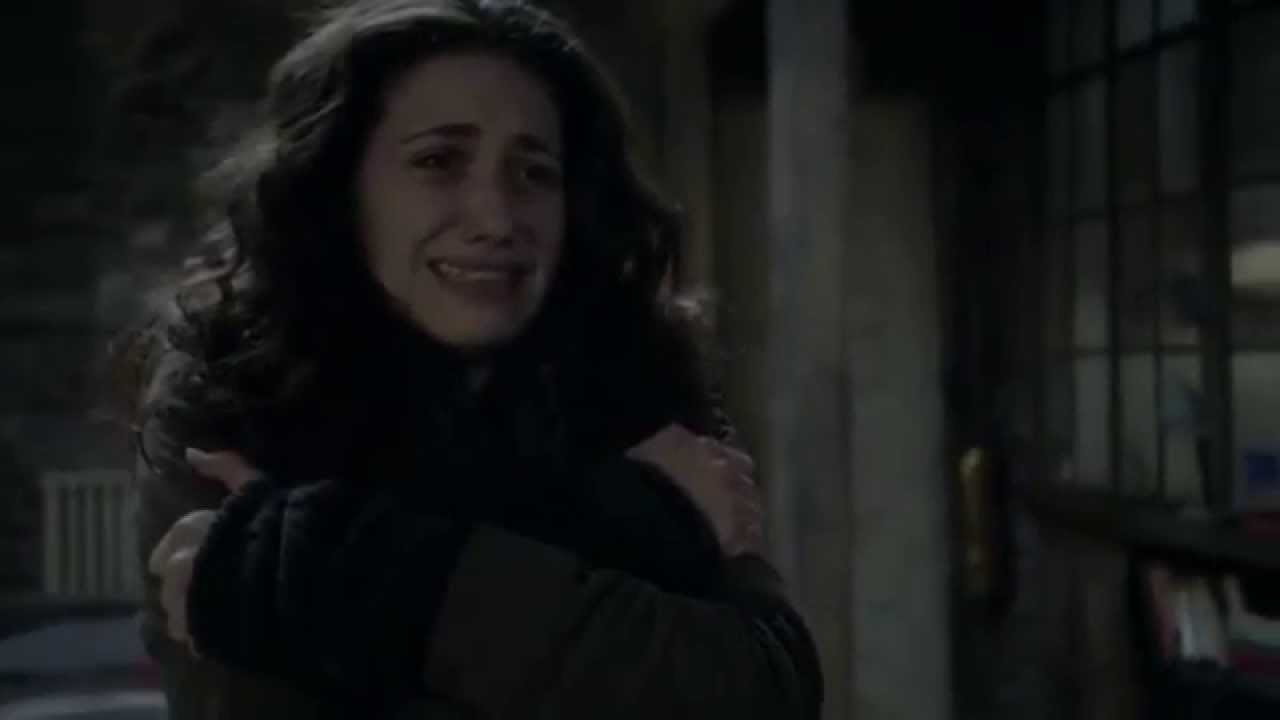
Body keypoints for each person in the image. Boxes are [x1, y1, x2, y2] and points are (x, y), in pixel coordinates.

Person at [126, 0, 823, 717]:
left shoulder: (639, 378)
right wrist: (628, 520)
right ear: (339, 184)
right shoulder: (235, 385)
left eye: (534, 173)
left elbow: (759, 688)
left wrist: (343, 573)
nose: (496, 218)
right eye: (438, 161)